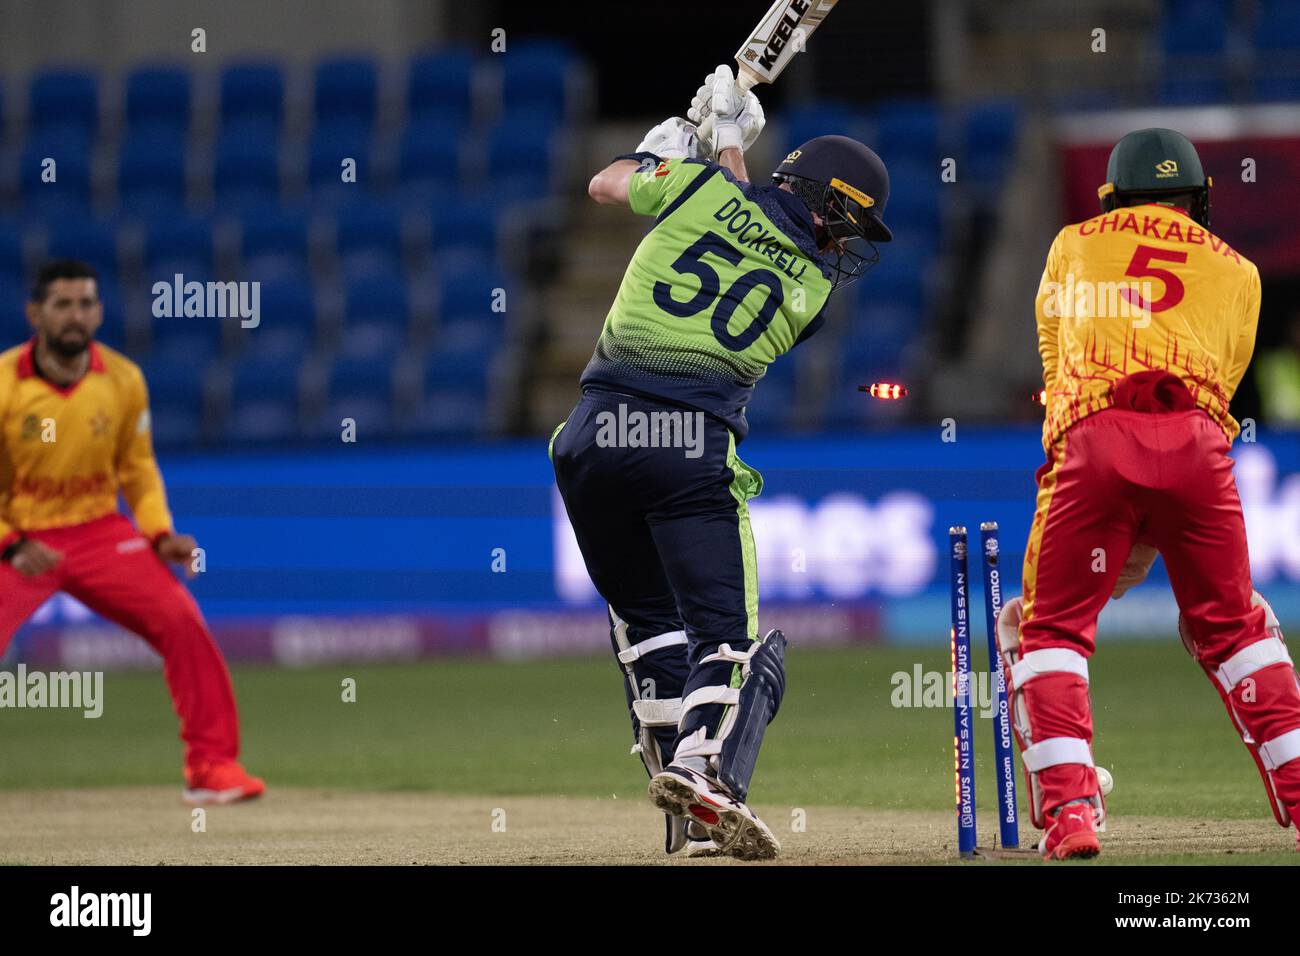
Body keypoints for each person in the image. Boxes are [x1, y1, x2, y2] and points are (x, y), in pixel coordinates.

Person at [549, 66, 892, 859]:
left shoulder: (696, 191)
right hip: (687, 450)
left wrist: (664, 156)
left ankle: (682, 808)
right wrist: (725, 146)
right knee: (726, 640)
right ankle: (703, 771)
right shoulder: (811, 290)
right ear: (820, 201)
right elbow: (754, 226)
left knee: (648, 630)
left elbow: (606, 186)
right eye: (842, 222)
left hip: (592, 440)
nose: (840, 244)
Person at [999, 128, 1300, 859]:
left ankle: (1071, 812)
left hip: (1096, 438)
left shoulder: (1074, 242)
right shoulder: (1240, 270)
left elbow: (1056, 351)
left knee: (1051, 629)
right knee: (1233, 628)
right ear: (1197, 198)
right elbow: (1223, 382)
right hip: (1196, 444)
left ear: (1114, 196)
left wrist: (1106, 506)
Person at [0, 259, 264, 806]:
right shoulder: (5, 382)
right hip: (21, 536)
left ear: (98, 311)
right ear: (35, 313)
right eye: (62, 304)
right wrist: (11, 542)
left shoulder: (121, 379)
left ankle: (212, 767)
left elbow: (138, 470)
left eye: (86, 304)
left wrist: (160, 533)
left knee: (182, 621)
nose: (76, 316)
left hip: (99, 531)